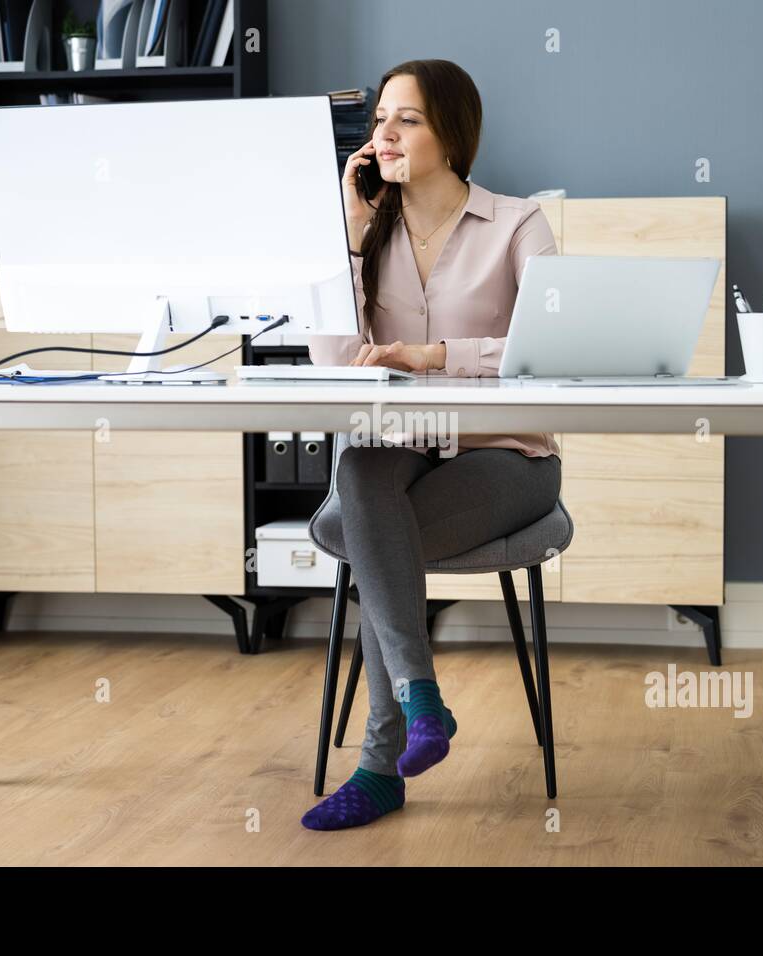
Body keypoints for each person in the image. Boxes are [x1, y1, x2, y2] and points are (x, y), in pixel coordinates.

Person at [302, 59, 562, 830]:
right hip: (402, 455)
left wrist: (439, 355)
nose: (383, 134)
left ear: (452, 134)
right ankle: (422, 702)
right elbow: (333, 361)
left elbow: (551, 346)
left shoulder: (519, 224)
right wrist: (349, 242)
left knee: (364, 530)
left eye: (405, 119)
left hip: (509, 457)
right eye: (379, 120)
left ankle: (382, 764)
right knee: (362, 469)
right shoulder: (367, 232)